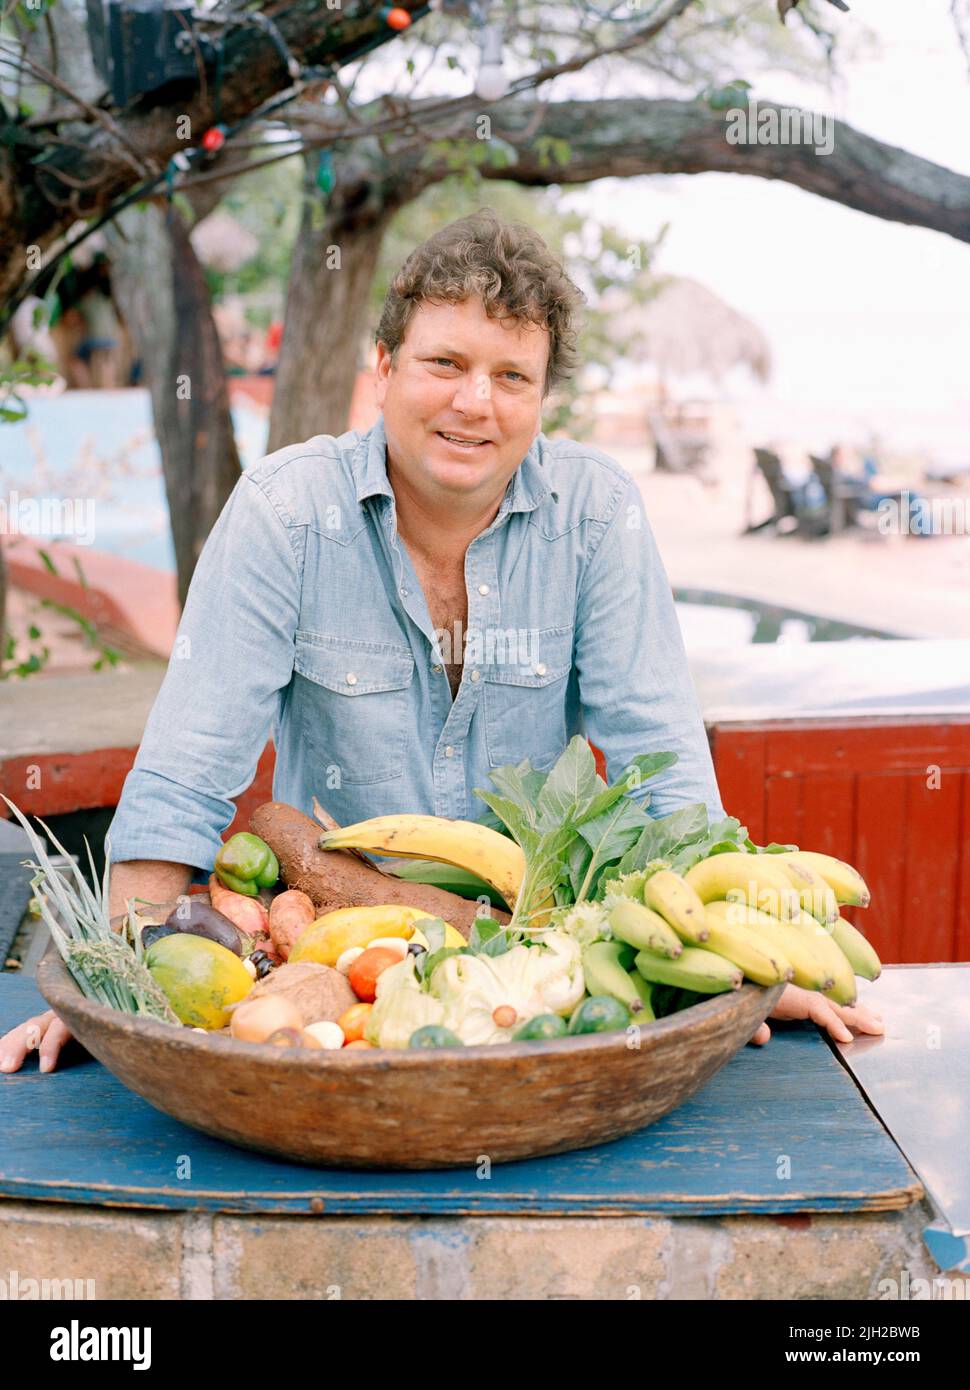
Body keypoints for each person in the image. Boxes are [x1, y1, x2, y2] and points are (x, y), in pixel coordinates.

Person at [0, 210, 882, 1074]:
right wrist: (117, 982)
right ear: (384, 367)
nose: (475, 403)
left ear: (542, 398)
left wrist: (740, 964)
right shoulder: (285, 514)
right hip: (331, 972)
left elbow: (663, 759)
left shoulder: (596, 514)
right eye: (446, 364)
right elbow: (186, 771)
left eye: (511, 376)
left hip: (547, 959)